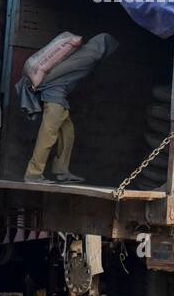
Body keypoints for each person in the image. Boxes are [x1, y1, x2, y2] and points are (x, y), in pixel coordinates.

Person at [19, 32, 119, 183]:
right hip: (54, 95)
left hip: (60, 97)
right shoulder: (90, 56)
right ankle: (33, 174)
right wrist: (37, 86)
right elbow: (62, 70)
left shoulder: (89, 56)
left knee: (68, 133)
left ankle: (61, 171)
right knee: (48, 136)